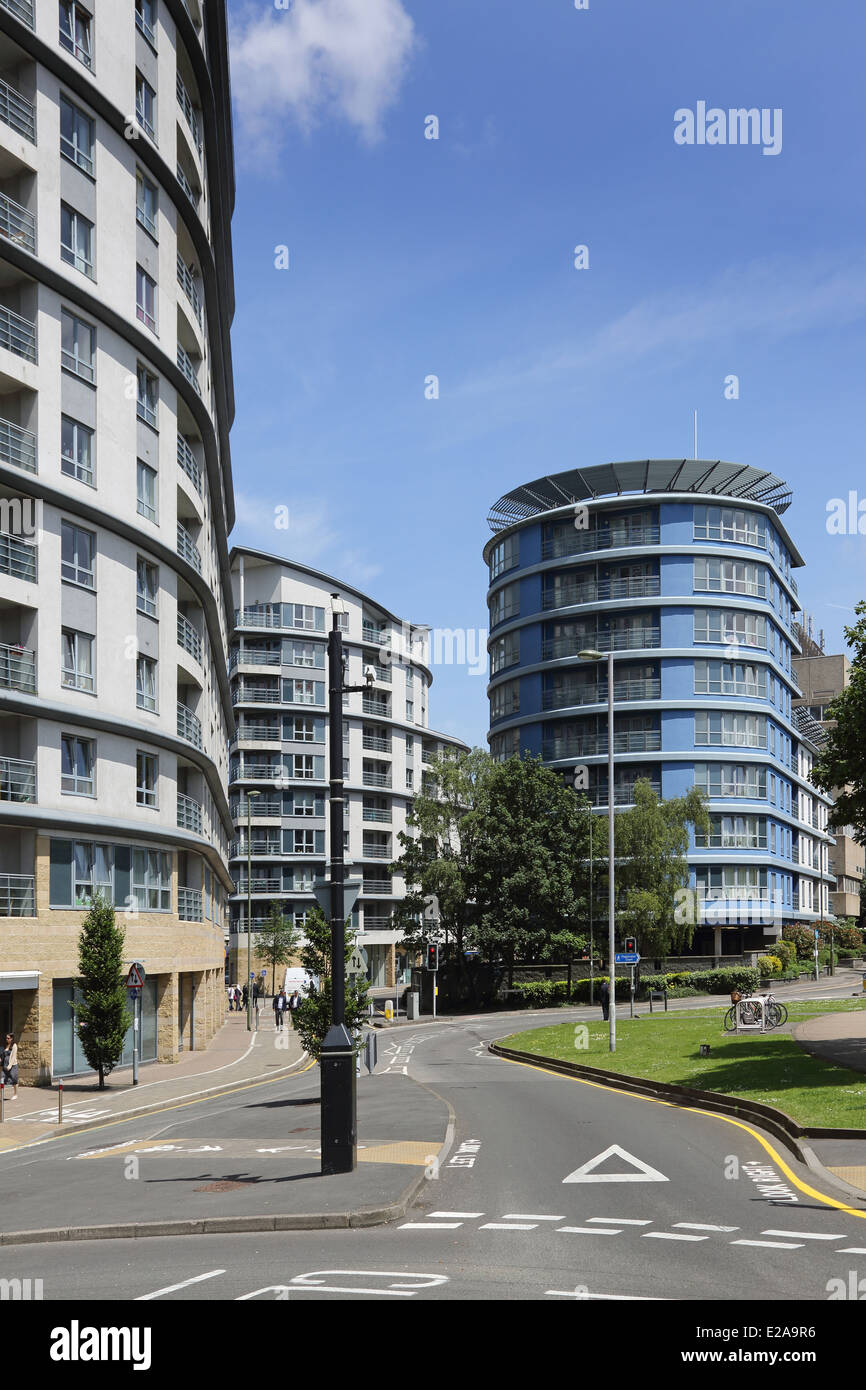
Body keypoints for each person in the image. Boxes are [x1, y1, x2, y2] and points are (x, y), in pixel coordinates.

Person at [2, 1033, 18, 1099]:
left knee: (14, 1079)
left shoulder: (14, 1045)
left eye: (8, 1038)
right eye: (6, 1038)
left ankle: (15, 1094)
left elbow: (13, 1056)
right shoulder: (6, 1045)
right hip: (5, 1064)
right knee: (2, 1079)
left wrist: (10, 1065)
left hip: (12, 1065)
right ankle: (1, 1094)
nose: (7, 1039)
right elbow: (3, 1055)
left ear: (11, 1039)